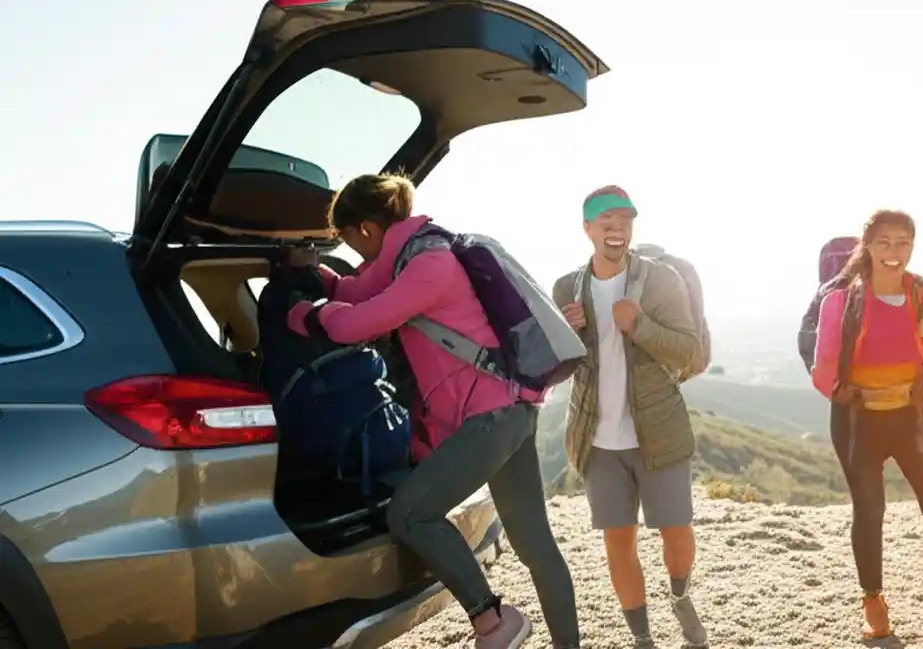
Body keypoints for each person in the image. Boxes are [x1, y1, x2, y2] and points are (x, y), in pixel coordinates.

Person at [285, 174, 579, 649]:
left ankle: (495, 621)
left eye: (348, 240)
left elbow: (359, 322)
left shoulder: (430, 264)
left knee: (411, 515)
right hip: (512, 412)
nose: (354, 252)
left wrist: (306, 315)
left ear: (364, 229)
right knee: (535, 547)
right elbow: (360, 290)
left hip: (493, 418)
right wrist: (318, 277)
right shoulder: (409, 256)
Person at [551, 186, 708, 649]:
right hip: (598, 441)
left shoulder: (659, 281)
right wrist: (567, 334)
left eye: (625, 221)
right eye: (606, 222)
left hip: (659, 432)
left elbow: (689, 351)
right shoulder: (566, 288)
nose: (617, 229)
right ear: (587, 229)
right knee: (619, 544)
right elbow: (556, 367)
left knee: (676, 535)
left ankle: (680, 596)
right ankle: (641, 637)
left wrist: (638, 324)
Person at [810, 210, 923, 642]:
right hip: (856, 418)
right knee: (870, 511)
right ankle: (873, 599)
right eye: (883, 242)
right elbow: (824, 371)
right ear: (868, 246)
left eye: (903, 243)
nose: (893, 252)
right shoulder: (839, 303)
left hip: (909, 416)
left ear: (913, 247)